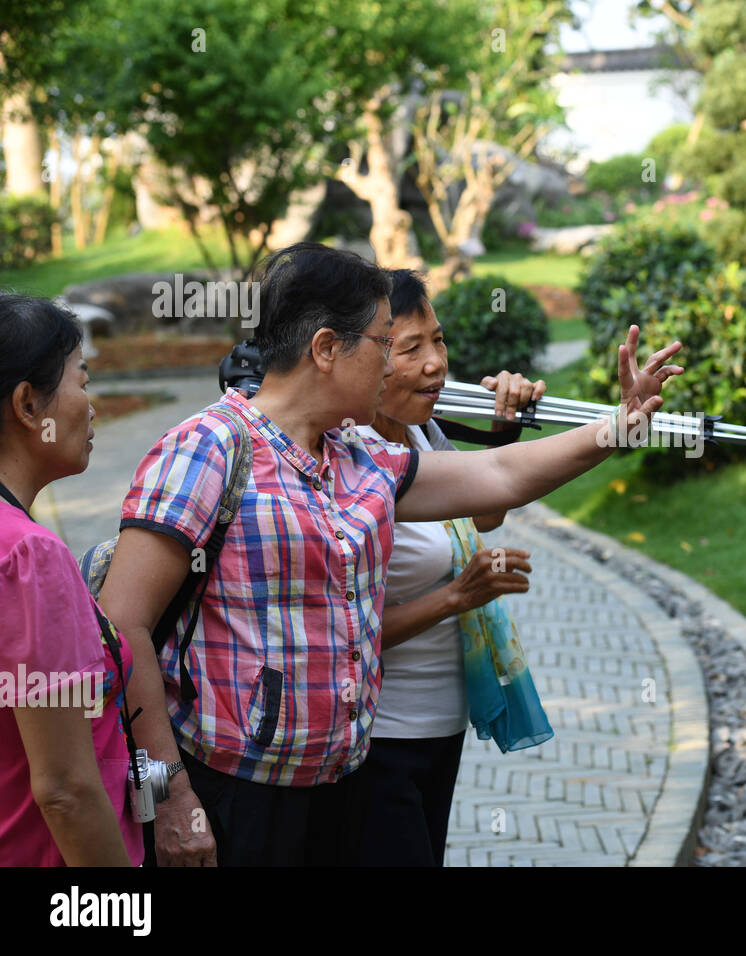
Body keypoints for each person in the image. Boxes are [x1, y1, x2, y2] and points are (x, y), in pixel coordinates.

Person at [96, 242, 682, 866]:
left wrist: (617, 427)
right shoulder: (207, 449)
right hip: (234, 794)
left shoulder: (357, 455)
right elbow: (121, 623)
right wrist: (170, 793)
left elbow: (502, 476)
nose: (401, 364)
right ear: (325, 349)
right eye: (384, 343)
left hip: (342, 787)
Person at [354, 269, 542, 866]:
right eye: (411, 348)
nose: (436, 362)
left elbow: (485, 512)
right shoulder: (346, 463)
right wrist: (457, 596)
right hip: (374, 744)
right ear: (362, 360)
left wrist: (505, 428)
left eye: (438, 340)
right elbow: (336, 636)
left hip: (440, 727)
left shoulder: (420, 432)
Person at [0, 293, 143, 866]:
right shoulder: (28, 557)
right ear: (29, 406)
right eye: (82, 380)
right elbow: (64, 790)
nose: (93, 404)